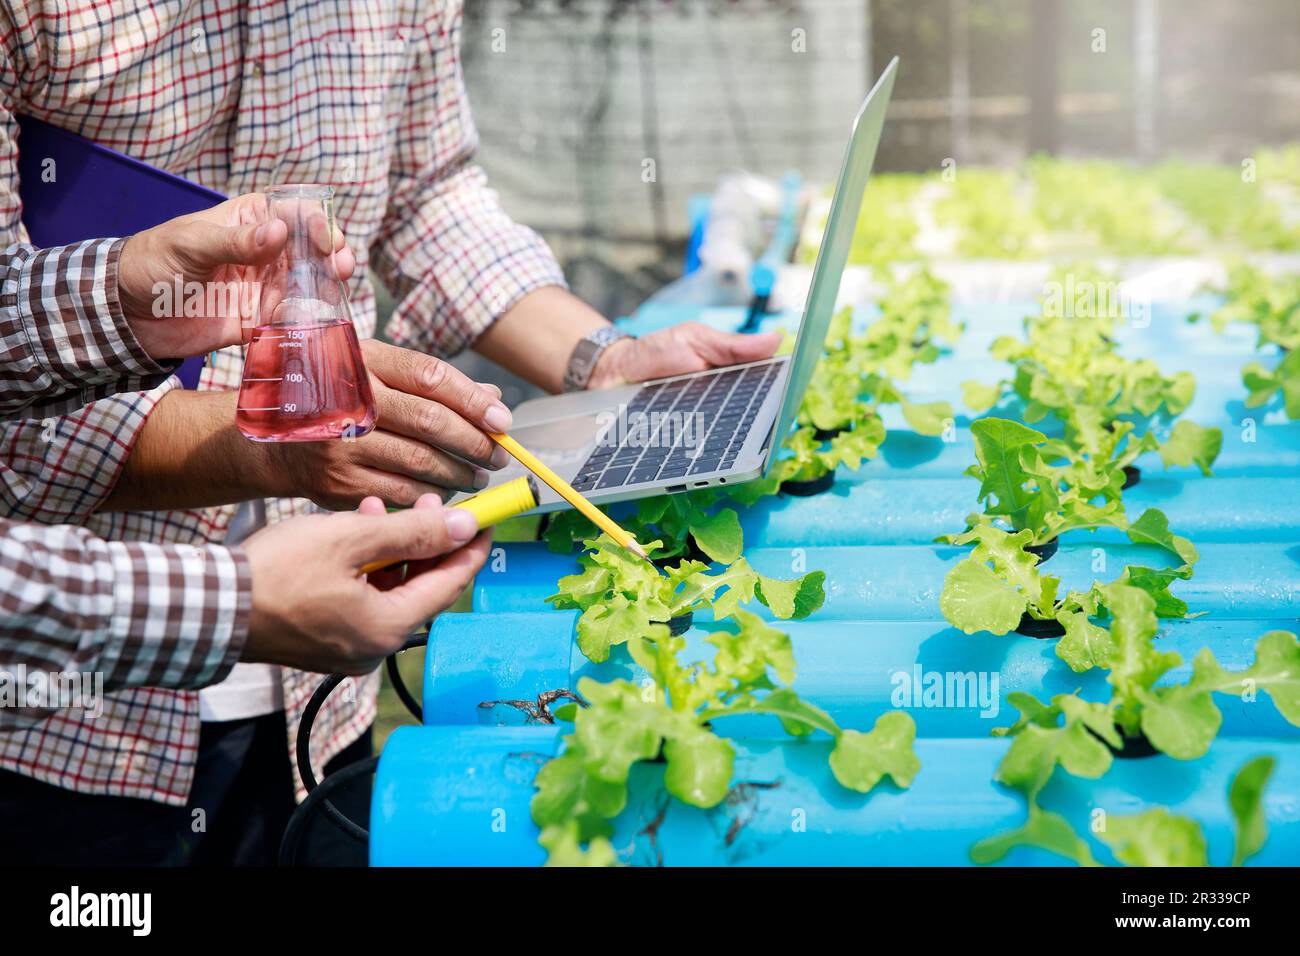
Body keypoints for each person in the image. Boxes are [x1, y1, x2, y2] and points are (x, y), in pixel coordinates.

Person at [0, 0, 781, 863]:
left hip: (327, 673)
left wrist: (602, 359)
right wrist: (268, 445)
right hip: (67, 713)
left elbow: (428, 191)